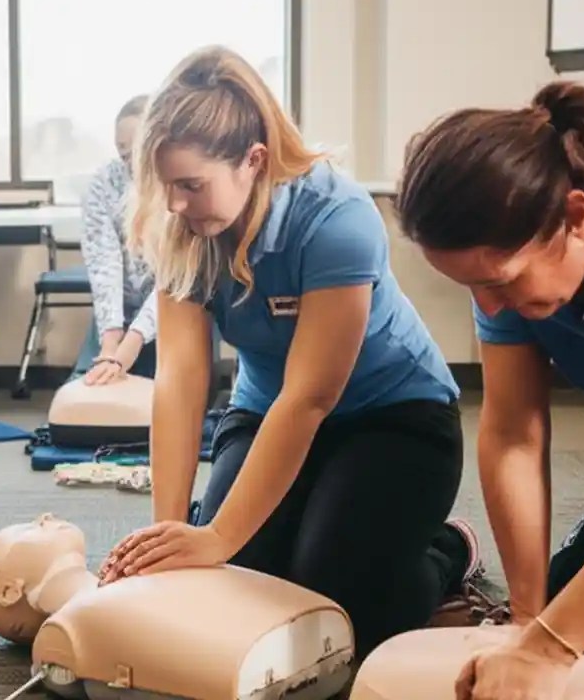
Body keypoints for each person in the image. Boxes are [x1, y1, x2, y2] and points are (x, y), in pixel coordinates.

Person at [95, 45, 484, 662]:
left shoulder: (336, 216)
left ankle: (447, 550)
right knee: (237, 579)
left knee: (332, 596)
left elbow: (310, 399)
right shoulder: (183, 226)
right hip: (265, 410)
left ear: (253, 161)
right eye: (165, 185)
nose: (173, 204)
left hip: (394, 419)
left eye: (190, 185)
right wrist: (171, 539)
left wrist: (217, 533)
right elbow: (180, 378)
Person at [395, 79, 584, 697]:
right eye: (472, 288)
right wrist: (527, 620)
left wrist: (550, 645)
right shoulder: (508, 268)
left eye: (500, 281)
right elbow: (513, 432)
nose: (490, 306)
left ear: (576, 216)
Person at [76, 94, 160, 386]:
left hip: (174, 306)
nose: (127, 160)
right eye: (121, 151)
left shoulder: (176, 183)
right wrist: (111, 342)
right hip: (120, 306)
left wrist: (131, 344)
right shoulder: (104, 182)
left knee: (162, 393)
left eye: (134, 151)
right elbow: (105, 263)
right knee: (92, 382)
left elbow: (176, 282)